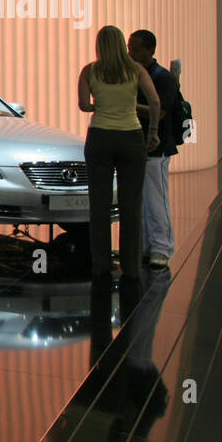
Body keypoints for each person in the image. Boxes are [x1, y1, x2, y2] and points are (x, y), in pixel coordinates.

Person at [77, 25, 160, 278]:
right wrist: (153, 131)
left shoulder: (89, 71)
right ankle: (131, 267)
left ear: (99, 45)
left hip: (100, 138)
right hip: (131, 138)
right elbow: (155, 101)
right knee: (131, 205)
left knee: (99, 206)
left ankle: (101, 265)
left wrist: (98, 105)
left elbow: (82, 105)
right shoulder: (136, 70)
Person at [127, 30, 178, 269]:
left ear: (150, 50)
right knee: (143, 200)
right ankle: (147, 245)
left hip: (157, 146)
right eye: (130, 47)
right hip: (137, 143)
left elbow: (162, 110)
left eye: (136, 48)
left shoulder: (163, 77)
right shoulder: (133, 74)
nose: (131, 52)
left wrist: (127, 105)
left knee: (156, 199)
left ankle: (162, 248)